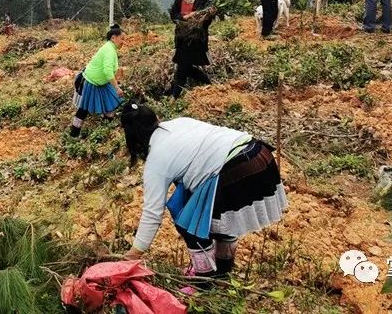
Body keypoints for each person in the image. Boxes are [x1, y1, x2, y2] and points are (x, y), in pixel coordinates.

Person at [119, 101, 287, 281]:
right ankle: (223, 272)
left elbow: (152, 213)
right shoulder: (181, 122)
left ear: (133, 139)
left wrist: (134, 253)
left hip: (237, 169)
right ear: (157, 119)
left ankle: (204, 280)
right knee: (216, 217)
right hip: (259, 153)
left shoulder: (156, 161)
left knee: (191, 225)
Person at [69, 25, 125, 138]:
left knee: (111, 104)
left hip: (102, 82)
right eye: (122, 38)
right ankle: (74, 134)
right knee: (84, 109)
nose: (123, 42)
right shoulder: (109, 50)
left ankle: (103, 133)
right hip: (91, 82)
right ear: (113, 38)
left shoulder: (111, 48)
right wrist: (117, 88)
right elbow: (108, 72)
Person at [169, 0, 218, 97]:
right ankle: (209, 82)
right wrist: (184, 17)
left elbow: (206, 24)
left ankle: (174, 96)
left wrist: (208, 16)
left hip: (195, 39)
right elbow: (173, 15)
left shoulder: (203, 0)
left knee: (182, 66)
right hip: (181, 37)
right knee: (184, 66)